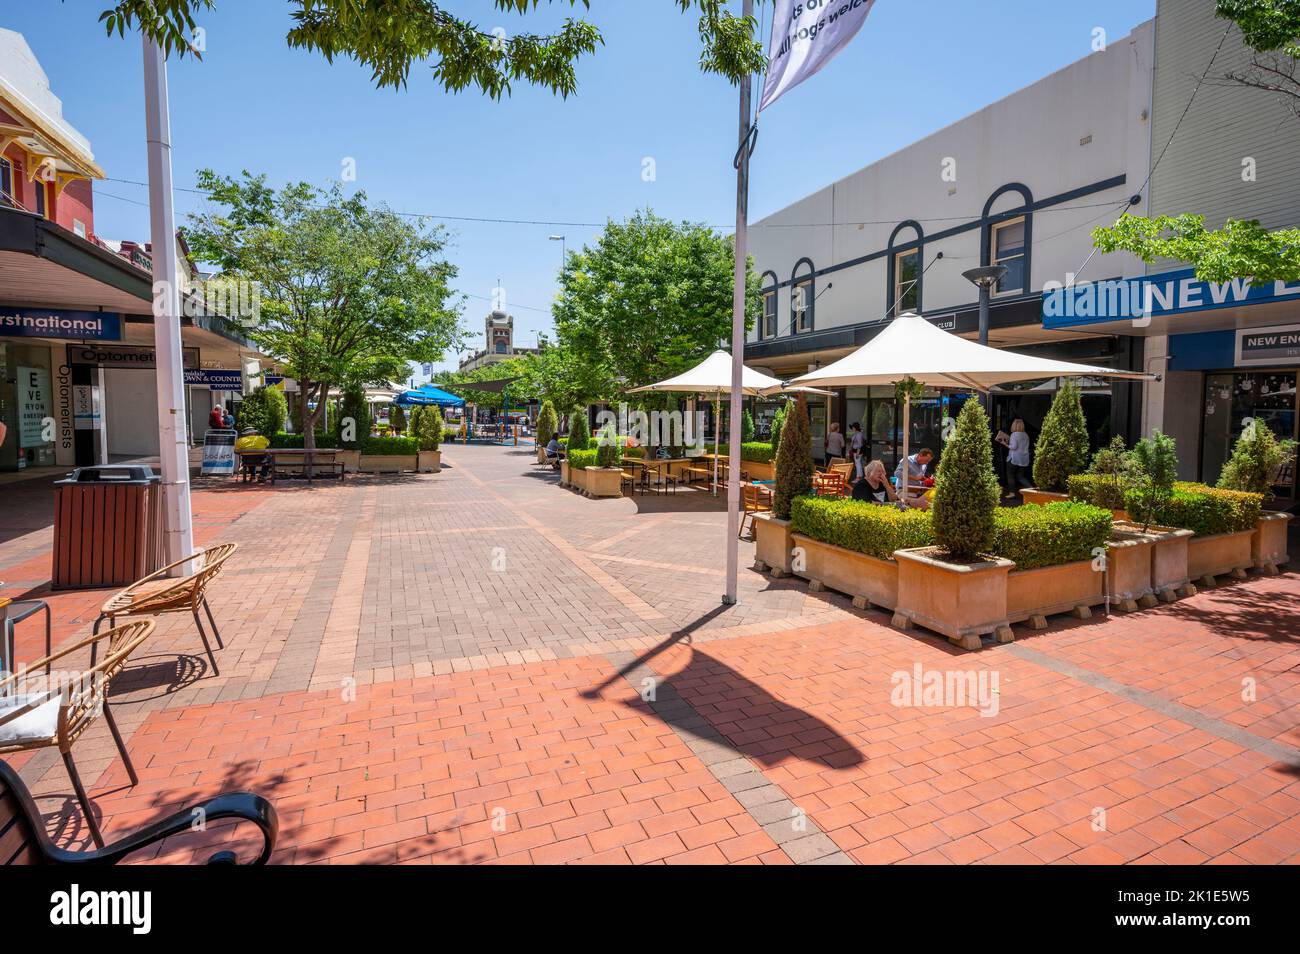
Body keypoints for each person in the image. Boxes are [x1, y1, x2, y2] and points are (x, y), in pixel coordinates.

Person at [853, 459, 929, 509]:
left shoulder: (881, 483)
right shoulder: (861, 486)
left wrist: (886, 485)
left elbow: (894, 499)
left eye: (883, 471)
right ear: (869, 472)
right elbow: (866, 504)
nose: (882, 474)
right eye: (879, 471)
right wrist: (889, 505)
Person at [998, 419, 1032, 497]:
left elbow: (1013, 447)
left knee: (1010, 475)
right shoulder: (1026, 435)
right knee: (1020, 476)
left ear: (1014, 425)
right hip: (1023, 459)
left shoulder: (1014, 434)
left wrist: (1004, 443)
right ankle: (1031, 488)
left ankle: (1012, 493)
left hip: (1014, 459)